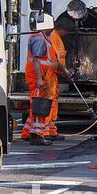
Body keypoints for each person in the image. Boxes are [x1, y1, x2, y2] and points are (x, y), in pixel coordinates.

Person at [22, 15, 70, 146]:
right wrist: (38, 79)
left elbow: (48, 61)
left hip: (43, 76)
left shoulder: (43, 38)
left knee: (36, 106)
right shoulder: (39, 39)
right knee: (38, 106)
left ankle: (28, 132)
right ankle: (36, 135)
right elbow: (37, 60)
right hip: (39, 77)